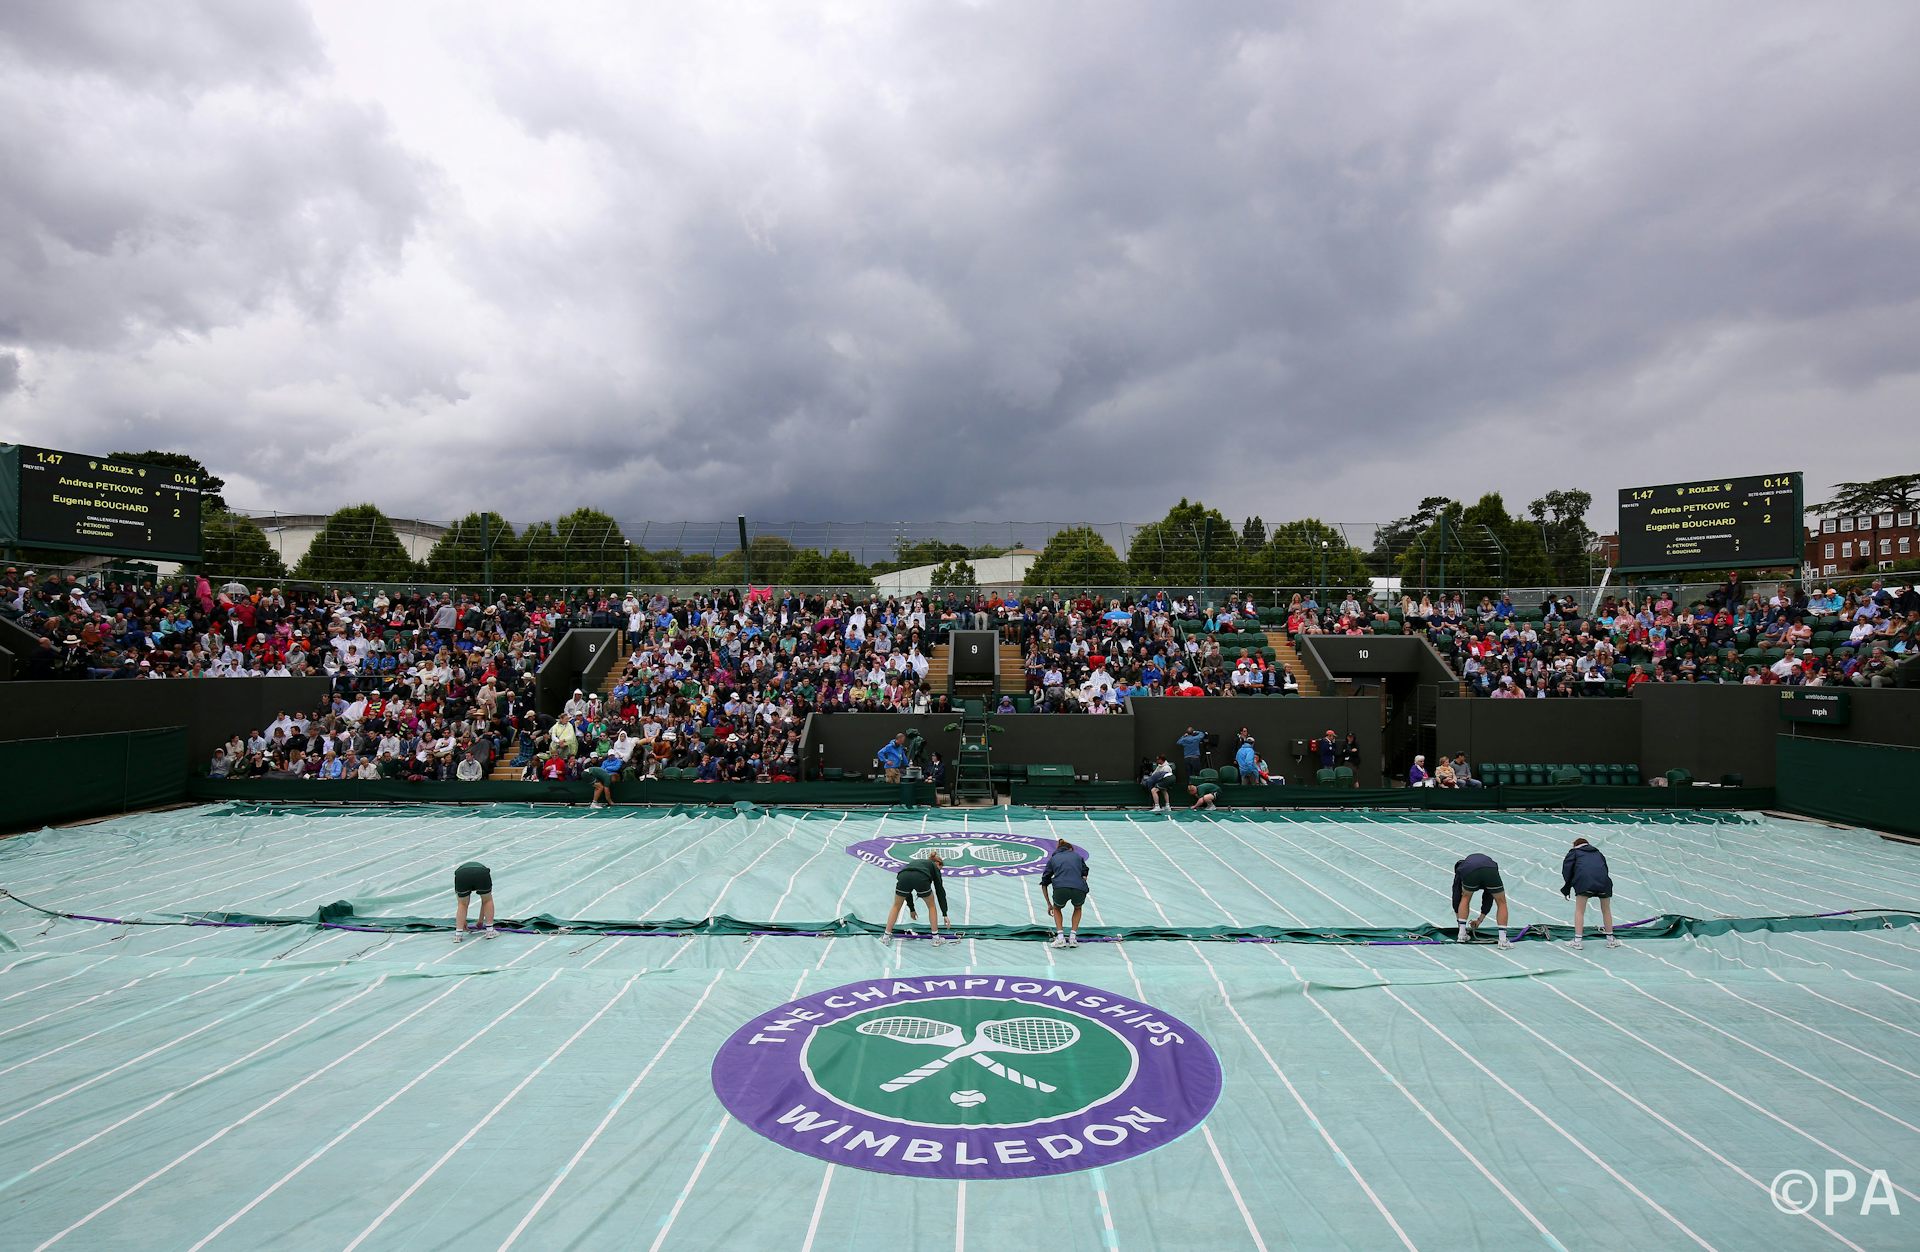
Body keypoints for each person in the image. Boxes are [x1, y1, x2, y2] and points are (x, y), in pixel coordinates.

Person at [1561, 837, 1621, 950]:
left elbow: (1567, 871)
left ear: (1575, 845)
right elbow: (1605, 869)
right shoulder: (1598, 853)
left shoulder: (1574, 853)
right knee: (1606, 910)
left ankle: (1577, 941)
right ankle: (1611, 940)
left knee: (1579, 911)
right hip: (1604, 884)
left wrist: (1566, 889)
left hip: (1584, 883)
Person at [882, 850, 952, 944]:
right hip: (921, 878)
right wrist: (944, 913)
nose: (939, 871)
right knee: (931, 906)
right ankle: (935, 938)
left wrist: (912, 909)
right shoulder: (934, 866)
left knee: (896, 906)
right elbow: (939, 890)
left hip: (903, 876)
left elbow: (908, 890)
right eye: (940, 868)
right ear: (937, 863)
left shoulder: (916, 862)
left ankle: (885, 937)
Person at [1451, 853, 1511, 948]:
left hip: (1470, 870)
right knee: (1501, 902)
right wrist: (1480, 920)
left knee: (1465, 897)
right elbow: (1489, 896)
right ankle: (1503, 941)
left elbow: (1456, 896)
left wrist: (1460, 924)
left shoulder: (1462, 869)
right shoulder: (1486, 863)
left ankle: (1462, 935)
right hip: (1490, 869)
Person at [1040, 838, 1091, 949]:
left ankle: (1061, 938)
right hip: (1079, 887)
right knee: (1078, 908)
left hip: (1061, 888)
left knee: (1057, 908)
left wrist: (1049, 904)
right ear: (1070, 849)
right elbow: (1085, 873)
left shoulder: (1053, 859)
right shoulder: (1078, 857)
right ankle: (1072, 938)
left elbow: (1044, 883)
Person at [453, 861, 497, 942]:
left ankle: (458, 935)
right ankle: (490, 931)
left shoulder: (460, 871)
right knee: (487, 900)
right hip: (481, 873)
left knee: (462, 904)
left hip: (462, 875)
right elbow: (485, 902)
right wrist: (480, 921)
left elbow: (462, 905)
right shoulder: (481, 868)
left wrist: (463, 921)